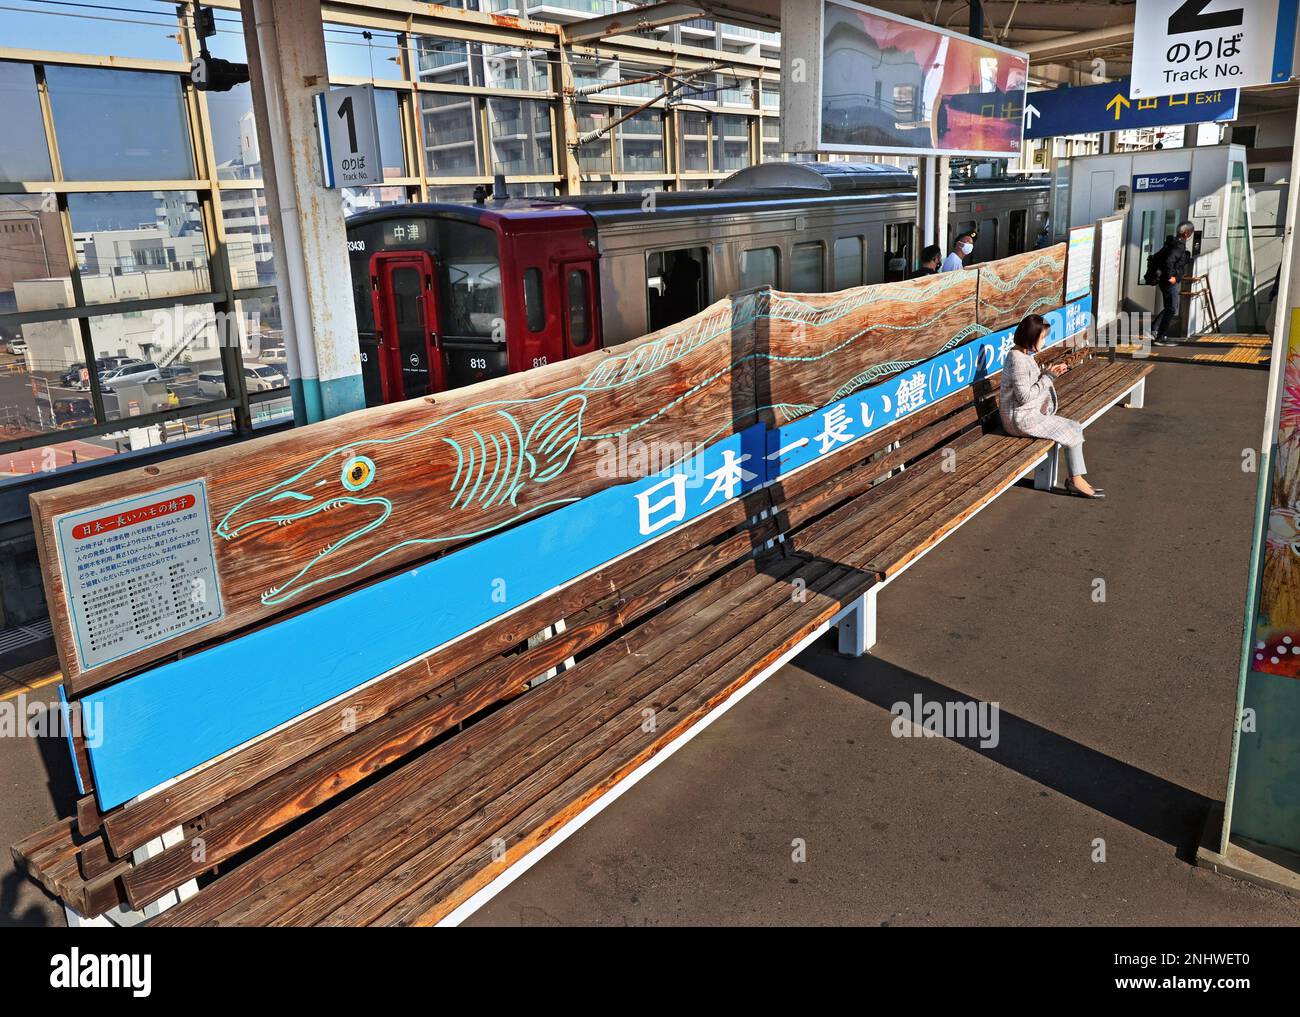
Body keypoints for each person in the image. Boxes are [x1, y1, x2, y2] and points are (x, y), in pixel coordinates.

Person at [1000, 313, 1104, 499]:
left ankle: (1077, 478)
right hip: (1021, 420)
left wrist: (1048, 373)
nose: (1044, 341)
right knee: (1072, 432)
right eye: (1042, 337)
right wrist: (1048, 377)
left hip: (1025, 415)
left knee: (1074, 426)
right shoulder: (1018, 360)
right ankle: (1076, 481)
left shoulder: (1022, 355)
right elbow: (1024, 397)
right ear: (1031, 337)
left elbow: (1029, 385)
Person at [1151, 221, 1194, 346]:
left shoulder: (1171, 243)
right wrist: (1171, 277)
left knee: (1169, 308)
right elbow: (1169, 261)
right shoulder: (1178, 246)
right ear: (1186, 233)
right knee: (1172, 309)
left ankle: (1155, 328)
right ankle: (1160, 336)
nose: (1190, 235)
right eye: (1190, 233)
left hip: (1164, 281)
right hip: (1169, 282)